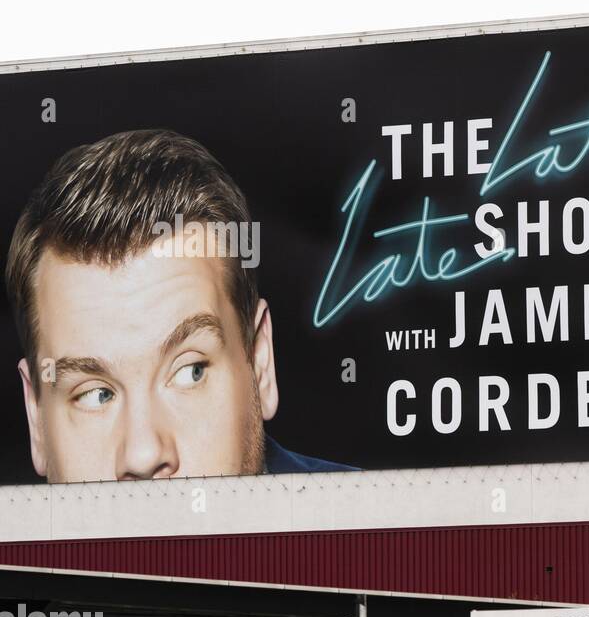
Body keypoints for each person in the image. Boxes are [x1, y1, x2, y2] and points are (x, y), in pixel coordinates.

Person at [4, 129, 354, 482]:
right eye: (96, 395)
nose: (143, 455)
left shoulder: (381, 524)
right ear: (37, 420)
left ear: (260, 363)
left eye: (191, 372)